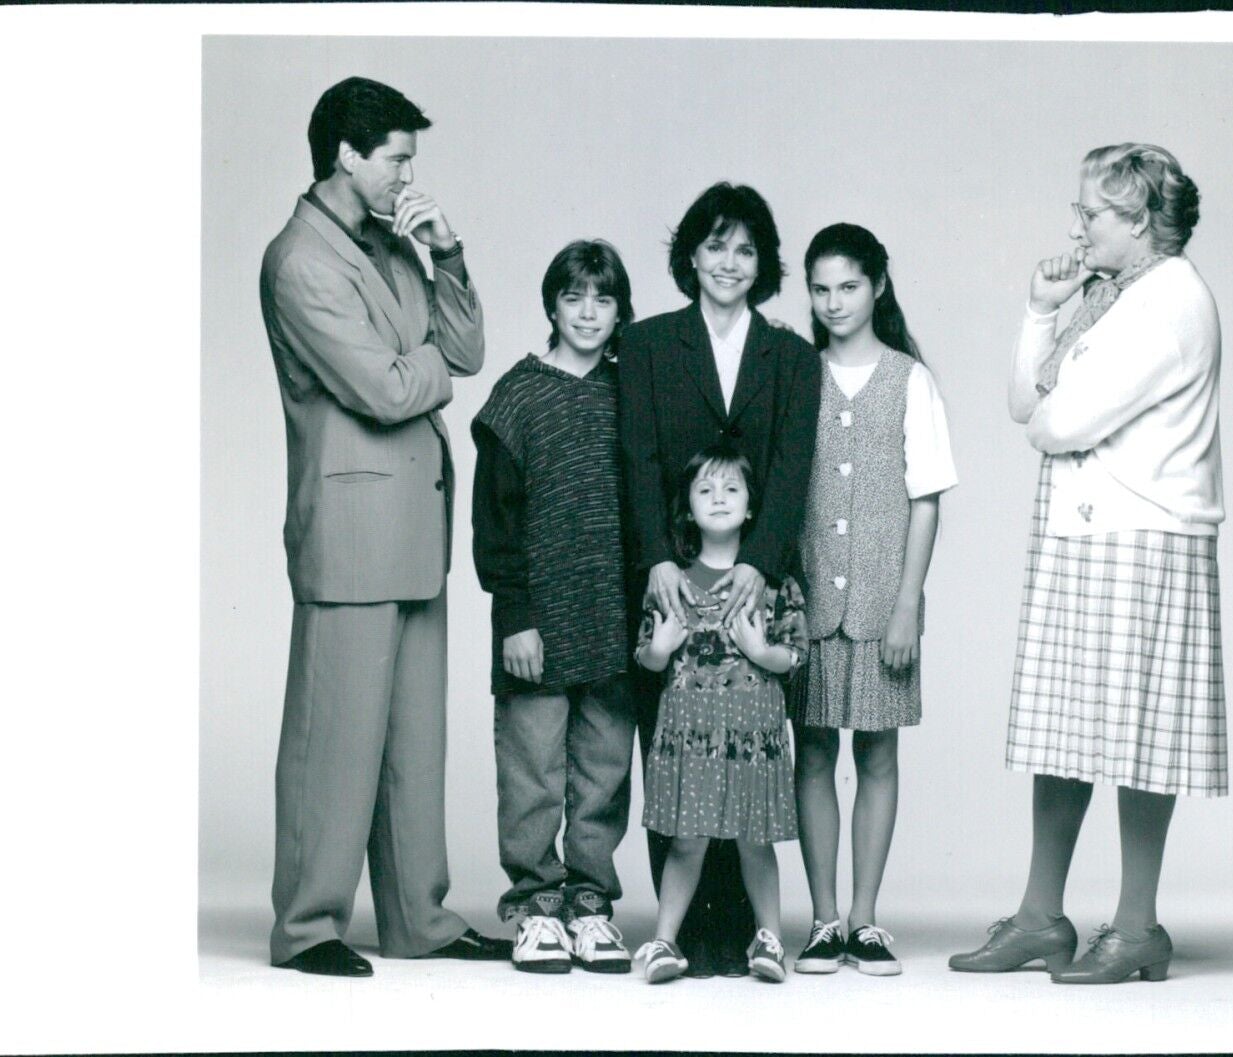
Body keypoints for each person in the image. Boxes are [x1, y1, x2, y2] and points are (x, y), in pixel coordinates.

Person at [948, 143, 1225, 985]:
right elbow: (1023, 401)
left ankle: (1138, 926)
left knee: (1143, 737)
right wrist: (1040, 309)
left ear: (1140, 221)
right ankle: (1041, 917)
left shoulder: (1169, 302)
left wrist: (1050, 410)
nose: (1077, 226)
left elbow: (1058, 423)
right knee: (1062, 733)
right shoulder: (1107, 297)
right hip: (1083, 534)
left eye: (1092, 214)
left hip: (1146, 535)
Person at [259, 75, 508, 976]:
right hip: (352, 532)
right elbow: (389, 389)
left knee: (414, 749)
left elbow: (468, 348)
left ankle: (419, 920)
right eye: (398, 157)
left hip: (414, 530)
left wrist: (446, 253)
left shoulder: (393, 243)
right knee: (334, 743)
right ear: (346, 155)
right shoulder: (302, 261)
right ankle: (308, 928)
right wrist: (428, 357)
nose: (410, 173)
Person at [617, 183, 821, 977]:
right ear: (691, 257)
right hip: (675, 568)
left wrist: (760, 564)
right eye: (715, 247)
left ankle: (752, 934)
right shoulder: (647, 344)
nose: (729, 262)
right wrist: (661, 556)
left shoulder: (792, 356)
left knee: (750, 758)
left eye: (745, 250)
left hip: (759, 573)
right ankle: (684, 936)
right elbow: (638, 457)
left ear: (762, 263)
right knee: (675, 750)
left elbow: (792, 469)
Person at [789, 224, 955, 977]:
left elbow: (926, 499)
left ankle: (865, 918)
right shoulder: (797, 373)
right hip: (812, 598)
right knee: (815, 747)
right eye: (820, 289)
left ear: (878, 285)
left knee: (878, 750)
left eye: (848, 286)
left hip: (884, 600)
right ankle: (823, 920)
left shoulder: (909, 379)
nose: (833, 303)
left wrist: (908, 603)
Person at [470, 240, 639, 974]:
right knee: (533, 769)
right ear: (551, 306)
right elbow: (494, 520)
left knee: (603, 770)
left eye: (603, 300)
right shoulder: (518, 395)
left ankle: (591, 902)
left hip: (614, 616)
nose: (589, 313)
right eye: (574, 298)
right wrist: (515, 614)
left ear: (620, 310)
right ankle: (538, 904)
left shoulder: (630, 392)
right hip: (537, 619)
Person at [629, 447, 807, 984]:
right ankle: (664, 942)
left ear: (752, 506)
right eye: (705, 490)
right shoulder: (670, 581)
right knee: (687, 841)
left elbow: (794, 655)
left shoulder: (773, 582)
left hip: (752, 730)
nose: (719, 499)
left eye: (731, 489)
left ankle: (769, 938)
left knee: (756, 841)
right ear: (686, 507)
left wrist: (759, 651)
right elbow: (648, 656)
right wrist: (660, 646)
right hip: (691, 733)